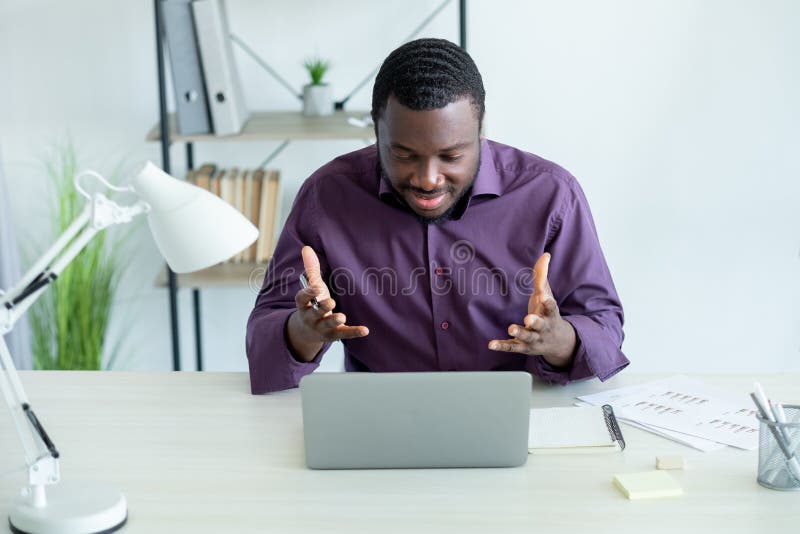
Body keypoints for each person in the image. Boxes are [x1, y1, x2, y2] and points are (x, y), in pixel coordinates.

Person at [246, 38, 628, 394]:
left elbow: (604, 328)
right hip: (380, 415)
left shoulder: (551, 194)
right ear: (377, 131)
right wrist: (303, 330)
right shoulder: (327, 196)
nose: (428, 179)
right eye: (404, 154)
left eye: (451, 155)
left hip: (522, 412)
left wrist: (559, 340)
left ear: (481, 131)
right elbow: (263, 341)